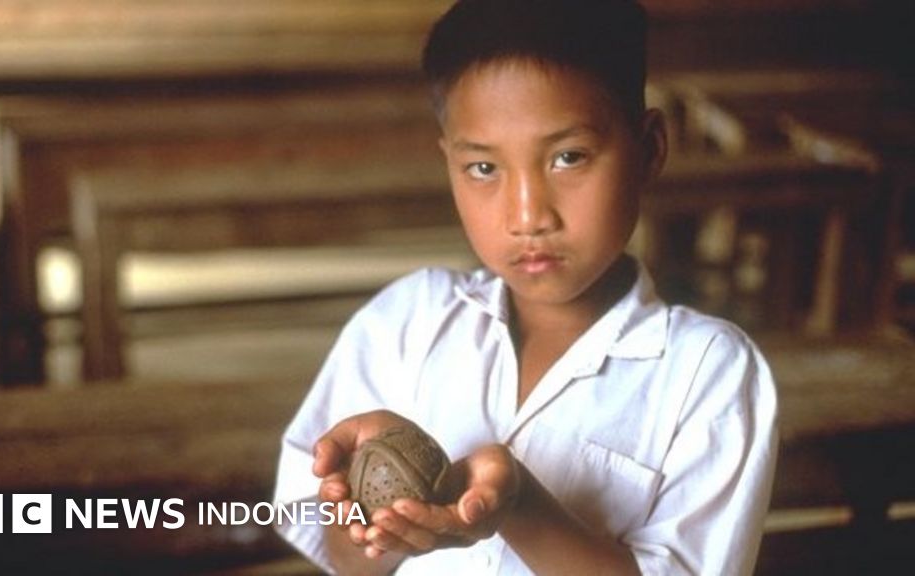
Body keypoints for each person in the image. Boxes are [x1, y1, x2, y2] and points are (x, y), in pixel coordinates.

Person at [273, 0, 778, 573]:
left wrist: (519, 504)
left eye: (568, 157)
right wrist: (368, 511)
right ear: (449, 165)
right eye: (484, 168)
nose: (527, 215)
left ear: (649, 150)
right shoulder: (406, 323)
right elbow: (347, 562)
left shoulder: (707, 371)